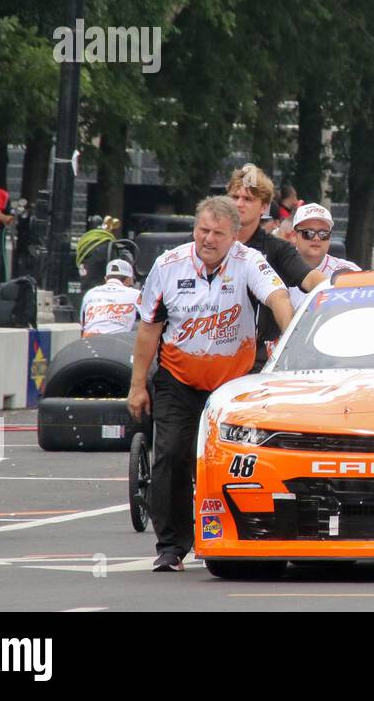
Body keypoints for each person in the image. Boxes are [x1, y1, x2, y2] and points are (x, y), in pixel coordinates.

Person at [127, 197, 294, 572]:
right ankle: (171, 546)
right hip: (178, 379)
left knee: (239, 461)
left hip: (232, 384)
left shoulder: (249, 261)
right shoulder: (167, 266)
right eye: (203, 230)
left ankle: (249, 532)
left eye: (218, 233)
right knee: (171, 454)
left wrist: (289, 337)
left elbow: (278, 298)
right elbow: (149, 328)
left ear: (235, 237)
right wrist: (137, 385)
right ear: (194, 229)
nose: (209, 239)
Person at [227, 164, 327, 371]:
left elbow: (310, 278)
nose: (239, 204)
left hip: (256, 360)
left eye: (247, 199)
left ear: (264, 207)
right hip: (207, 353)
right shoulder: (208, 243)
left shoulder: (277, 249)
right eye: (235, 197)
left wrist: (337, 290)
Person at [286, 203, 361, 312]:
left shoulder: (351, 272)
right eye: (308, 233)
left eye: (323, 234)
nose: (316, 238)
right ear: (294, 236)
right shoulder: (276, 269)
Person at [79, 259, 140, 336]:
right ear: (128, 280)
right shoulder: (136, 294)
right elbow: (151, 320)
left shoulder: (90, 293)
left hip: (88, 342)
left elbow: (82, 327)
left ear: (106, 279)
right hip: (118, 344)